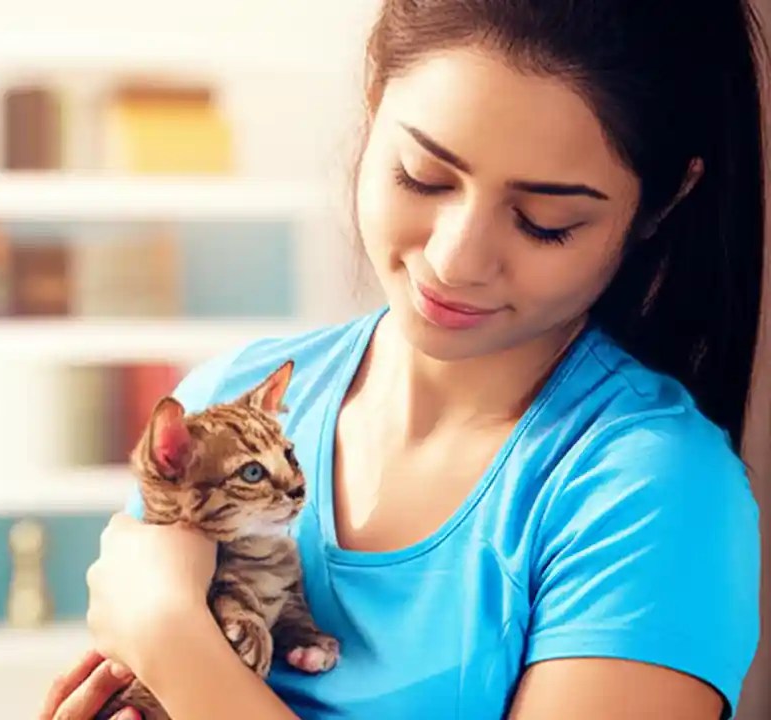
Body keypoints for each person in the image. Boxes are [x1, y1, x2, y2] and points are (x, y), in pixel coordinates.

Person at [40, 1, 767, 717]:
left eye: (545, 223)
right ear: (373, 101)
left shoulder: (651, 492)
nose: (456, 261)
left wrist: (175, 639)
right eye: (424, 176)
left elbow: (163, 647)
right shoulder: (229, 401)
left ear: (661, 203)